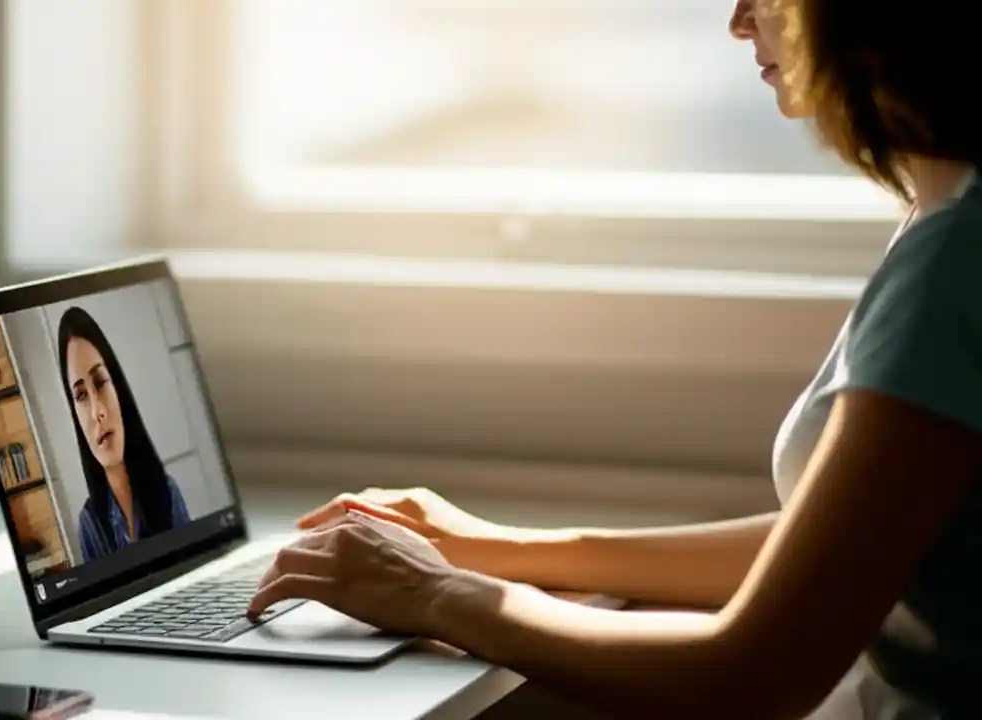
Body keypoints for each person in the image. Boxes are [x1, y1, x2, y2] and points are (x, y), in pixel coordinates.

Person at [248, 1, 982, 717]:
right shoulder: (948, 214)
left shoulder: (956, 259)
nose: (738, 19)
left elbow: (753, 672)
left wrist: (435, 593)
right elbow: (863, 551)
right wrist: (506, 550)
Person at [58, 306, 190, 563]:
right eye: (81, 395)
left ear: (118, 389)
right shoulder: (90, 525)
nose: (97, 412)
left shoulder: (167, 491)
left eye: (100, 382)